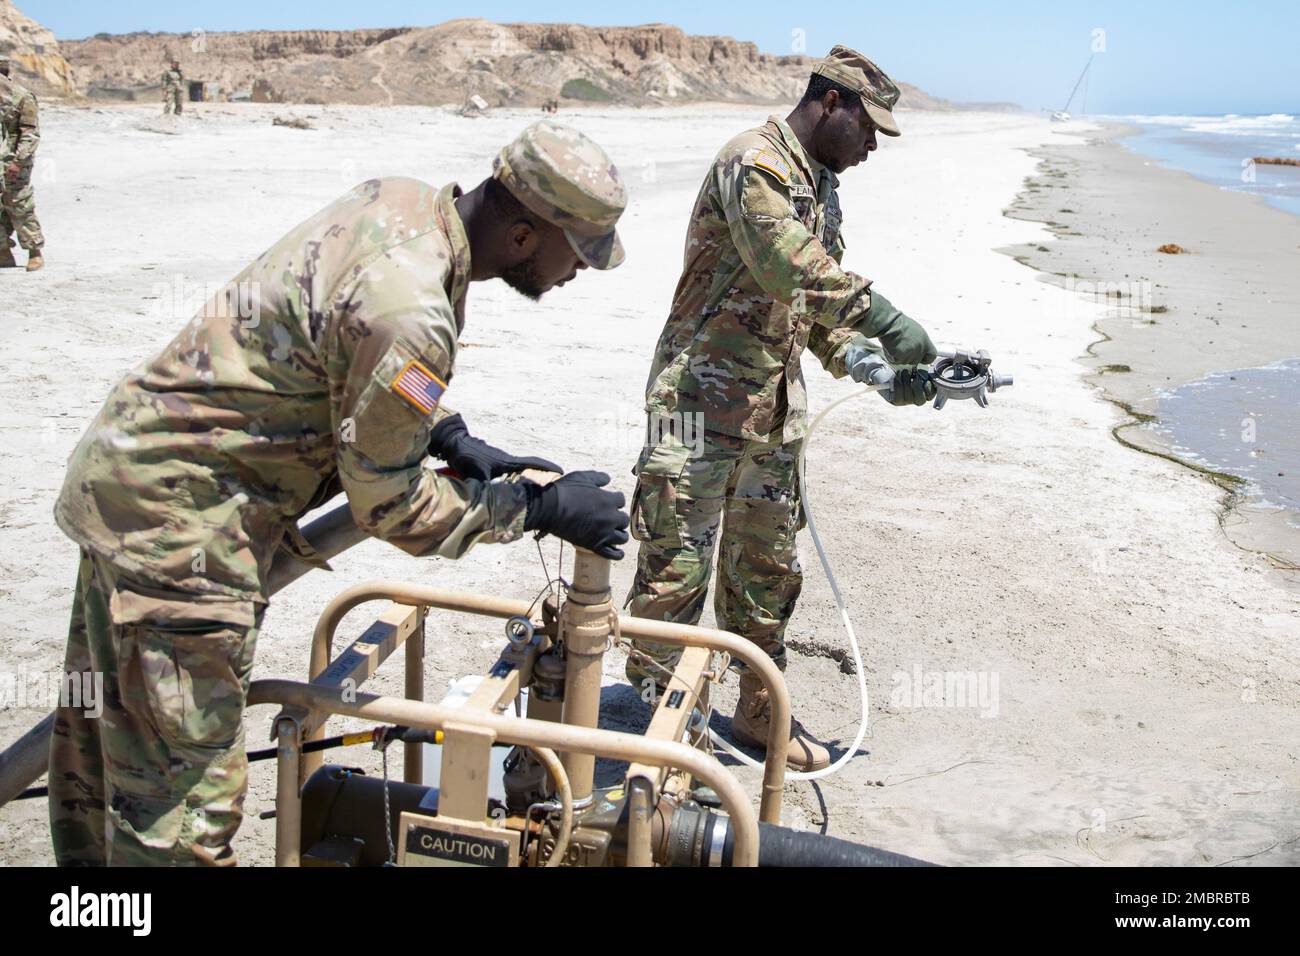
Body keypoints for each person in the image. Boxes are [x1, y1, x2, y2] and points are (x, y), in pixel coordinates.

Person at [48, 121, 630, 866]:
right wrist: (537, 511)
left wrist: (447, 435)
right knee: (179, 813)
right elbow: (389, 507)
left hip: (131, 488)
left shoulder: (405, 204)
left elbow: (338, 351)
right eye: (576, 255)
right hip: (185, 540)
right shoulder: (412, 310)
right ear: (522, 237)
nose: (577, 273)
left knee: (100, 771)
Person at [625, 46, 939, 771]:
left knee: (765, 572)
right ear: (830, 102)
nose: (871, 147)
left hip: (771, 415)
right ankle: (661, 740)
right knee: (675, 575)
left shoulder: (821, 188)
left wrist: (878, 370)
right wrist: (884, 316)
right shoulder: (753, 162)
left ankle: (759, 713)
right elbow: (785, 264)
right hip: (695, 409)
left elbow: (813, 314)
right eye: (868, 128)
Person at [0, 55, 45, 271]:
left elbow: (30, 134)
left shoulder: (22, 97)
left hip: (14, 160)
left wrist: (18, 161)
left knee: (19, 204)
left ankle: (34, 252)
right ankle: (3, 252)